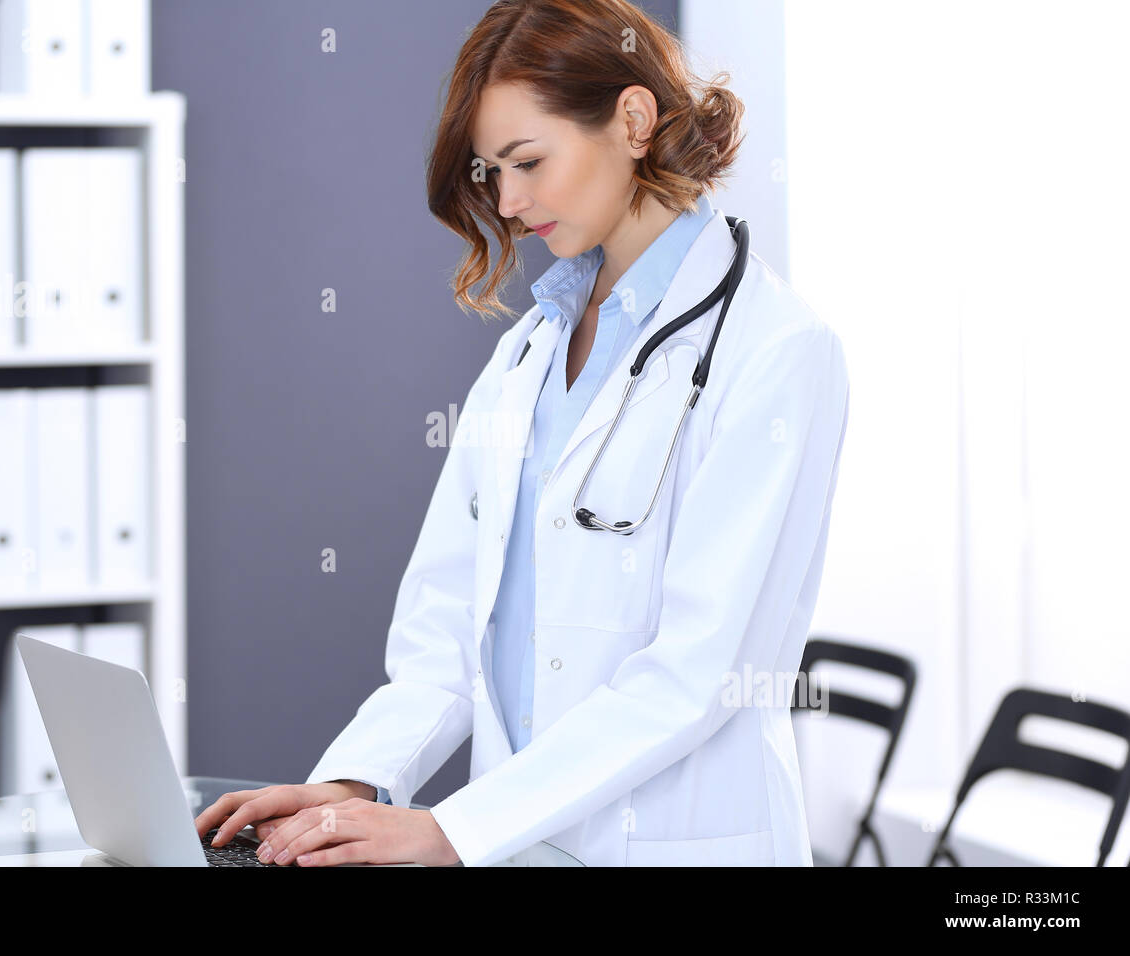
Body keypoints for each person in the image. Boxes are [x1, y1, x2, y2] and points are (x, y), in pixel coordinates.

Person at [195, 0, 850, 867]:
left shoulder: (777, 352)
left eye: (527, 162)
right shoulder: (529, 352)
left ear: (633, 118)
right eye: (491, 172)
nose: (506, 202)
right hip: (522, 847)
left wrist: (454, 829)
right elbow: (444, 630)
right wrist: (355, 787)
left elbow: (698, 672)